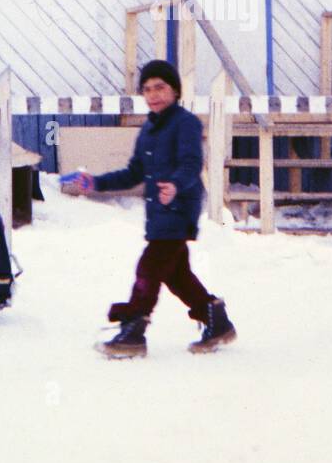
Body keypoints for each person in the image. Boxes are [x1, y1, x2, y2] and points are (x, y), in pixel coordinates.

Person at [63, 59, 236, 358]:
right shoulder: (148, 130)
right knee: (176, 274)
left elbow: (192, 163)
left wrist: (176, 185)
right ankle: (215, 319)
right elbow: (133, 173)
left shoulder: (186, 123)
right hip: (158, 212)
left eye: (160, 87)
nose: (154, 95)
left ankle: (133, 331)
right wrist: (95, 183)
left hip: (179, 208)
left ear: (174, 90)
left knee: (149, 268)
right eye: (147, 89)